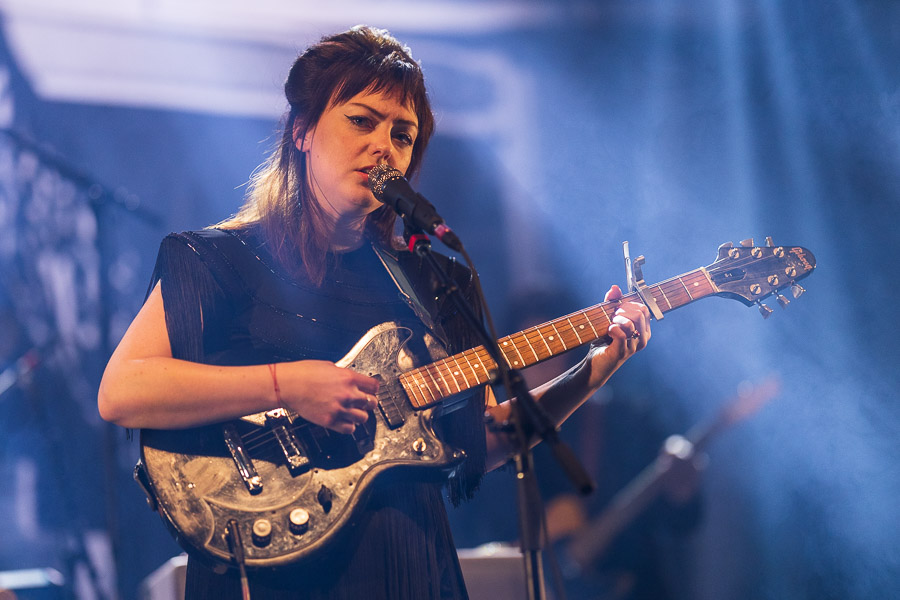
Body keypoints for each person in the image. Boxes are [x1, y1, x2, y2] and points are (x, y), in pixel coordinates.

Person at [97, 25, 651, 600]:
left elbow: (480, 440)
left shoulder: (434, 282)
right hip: (266, 573)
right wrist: (285, 385)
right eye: (362, 121)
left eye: (403, 134)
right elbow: (122, 391)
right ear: (302, 132)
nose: (384, 145)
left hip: (410, 567)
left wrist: (598, 365)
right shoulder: (217, 258)